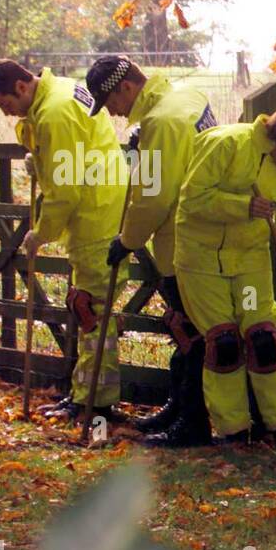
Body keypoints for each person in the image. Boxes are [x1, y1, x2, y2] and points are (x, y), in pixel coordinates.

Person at [0, 59, 126, 423]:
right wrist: (40, 158)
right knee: (88, 305)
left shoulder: (55, 113)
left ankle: (97, 403)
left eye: (6, 105)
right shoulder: (56, 93)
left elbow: (65, 190)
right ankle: (85, 395)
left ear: (20, 86)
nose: (7, 114)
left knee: (93, 312)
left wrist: (41, 233)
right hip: (98, 204)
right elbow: (67, 158)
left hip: (95, 212)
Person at [173, 108, 276, 450]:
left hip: (250, 261)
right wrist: (241, 206)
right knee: (222, 341)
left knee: (264, 338)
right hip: (201, 259)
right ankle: (232, 430)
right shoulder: (226, 143)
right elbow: (191, 199)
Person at [87, 55, 217, 448]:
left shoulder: (161, 122)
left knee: (191, 335)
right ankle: (177, 407)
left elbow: (154, 196)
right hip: (206, 234)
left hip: (184, 243)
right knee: (183, 328)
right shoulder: (186, 97)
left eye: (110, 101)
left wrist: (126, 241)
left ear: (126, 87)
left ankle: (192, 425)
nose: (111, 111)